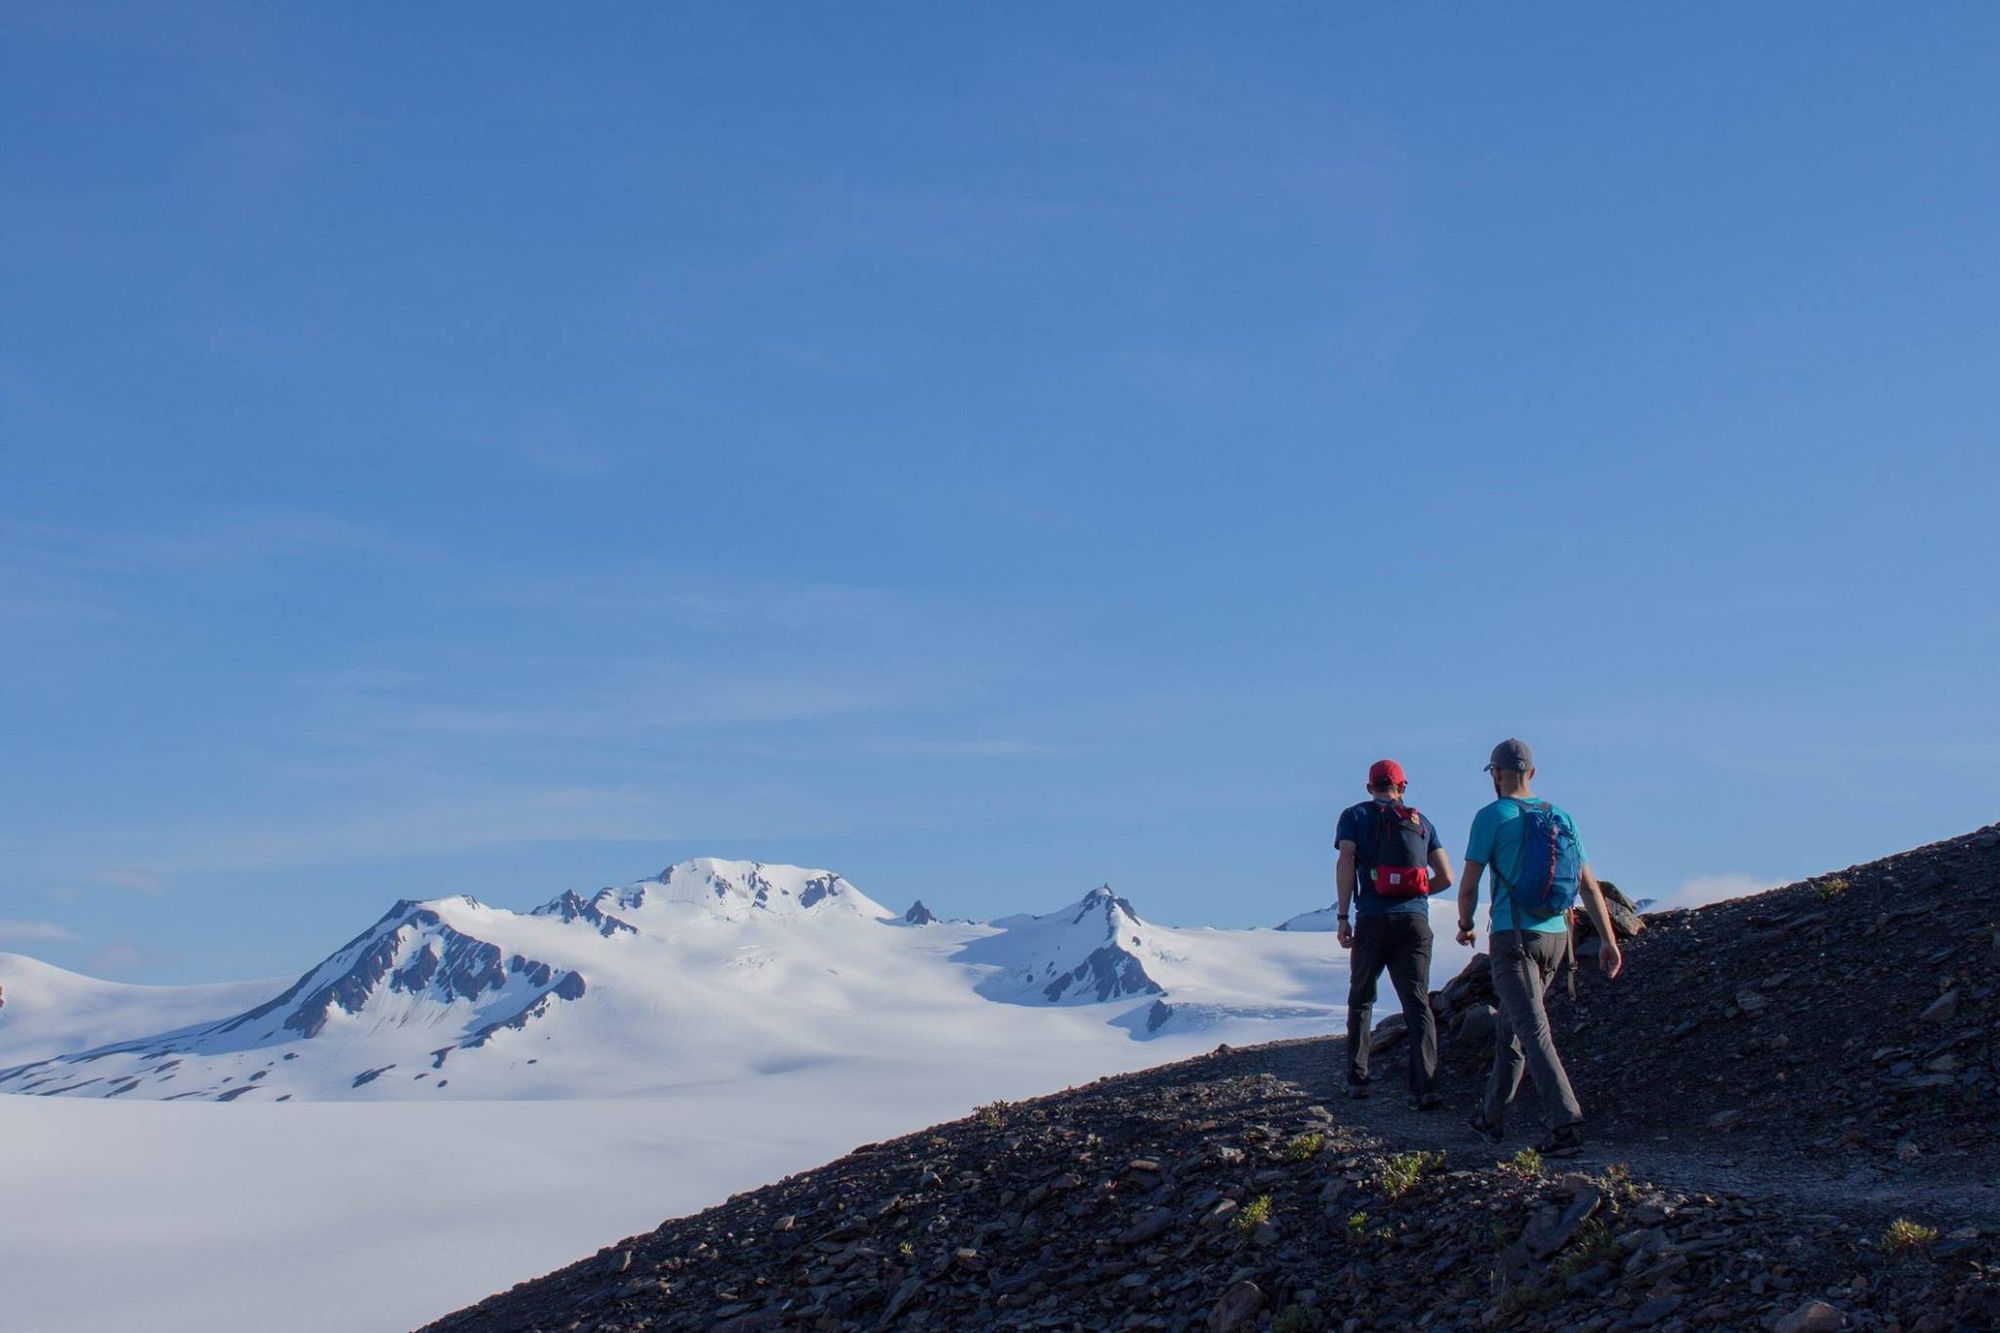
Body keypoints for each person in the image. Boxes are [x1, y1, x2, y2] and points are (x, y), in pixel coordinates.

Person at [1455, 738, 1625, 1157]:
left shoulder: (1491, 816)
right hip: (1557, 939)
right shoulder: (1560, 815)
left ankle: (1566, 1125)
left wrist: (1464, 924)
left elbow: (1470, 884)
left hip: (1514, 937)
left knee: (1532, 1030)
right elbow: (1587, 885)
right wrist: (1607, 940)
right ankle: (1489, 1117)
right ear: (1532, 773)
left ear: (1496, 774)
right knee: (1511, 1027)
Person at [1336, 758, 1455, 1108]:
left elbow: (1346, 860)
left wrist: (1343, 915)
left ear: (1369, 787)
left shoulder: (1354, 816)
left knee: (1361, 998)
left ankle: (1358, 1079)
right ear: (1402, 788)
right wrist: (1414, 892)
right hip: (1415, 922)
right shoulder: (1422, 822)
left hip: (1372, 918)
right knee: (1417, 1002)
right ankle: (1425, 1088)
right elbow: (1447, 877)